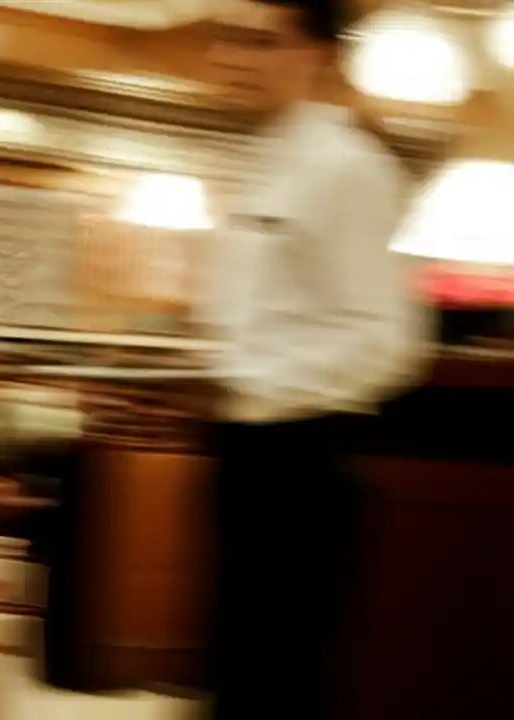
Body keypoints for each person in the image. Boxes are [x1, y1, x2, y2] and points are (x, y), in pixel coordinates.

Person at [200, 2, 426, 719]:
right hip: (247, 451)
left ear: (318, 54)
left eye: (259, 42)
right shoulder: (267, 159)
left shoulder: (347, 169)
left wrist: (249, 384)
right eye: (228, 38)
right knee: (238, 675)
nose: (232, 58)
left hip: (300, 461)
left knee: (281, 683)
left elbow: (386, 340)